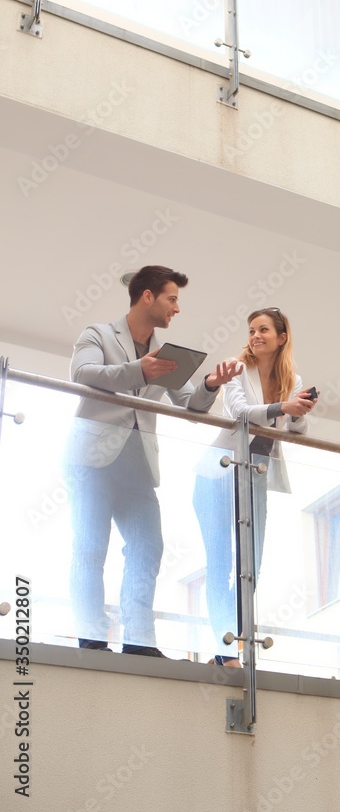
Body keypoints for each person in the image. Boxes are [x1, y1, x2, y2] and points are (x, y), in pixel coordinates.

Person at [65, 265, 242, 658]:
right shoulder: (98, 334)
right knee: (91, 547)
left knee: (148, 547)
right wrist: (136, 370)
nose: (177, 308)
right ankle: (90, 639)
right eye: (172, 298)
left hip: (137, 464)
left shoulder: (167, 355)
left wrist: (211, 385)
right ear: (148, 296)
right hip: (92, 458)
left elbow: (190, 405)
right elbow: (82, 373)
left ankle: (139, 641)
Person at [193, 307, 316, 666]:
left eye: (263, 329)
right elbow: (238, 412)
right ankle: (226, 649)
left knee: (252, 565)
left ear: (282, 337)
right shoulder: (235, 368)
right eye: (251, 330)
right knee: (221, 565)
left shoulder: (291, 379)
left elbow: (296, 430)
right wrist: (283, 406)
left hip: (256, 473)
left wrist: (296, 411)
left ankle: (233, 642)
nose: (255, 336)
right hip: (217, 472)